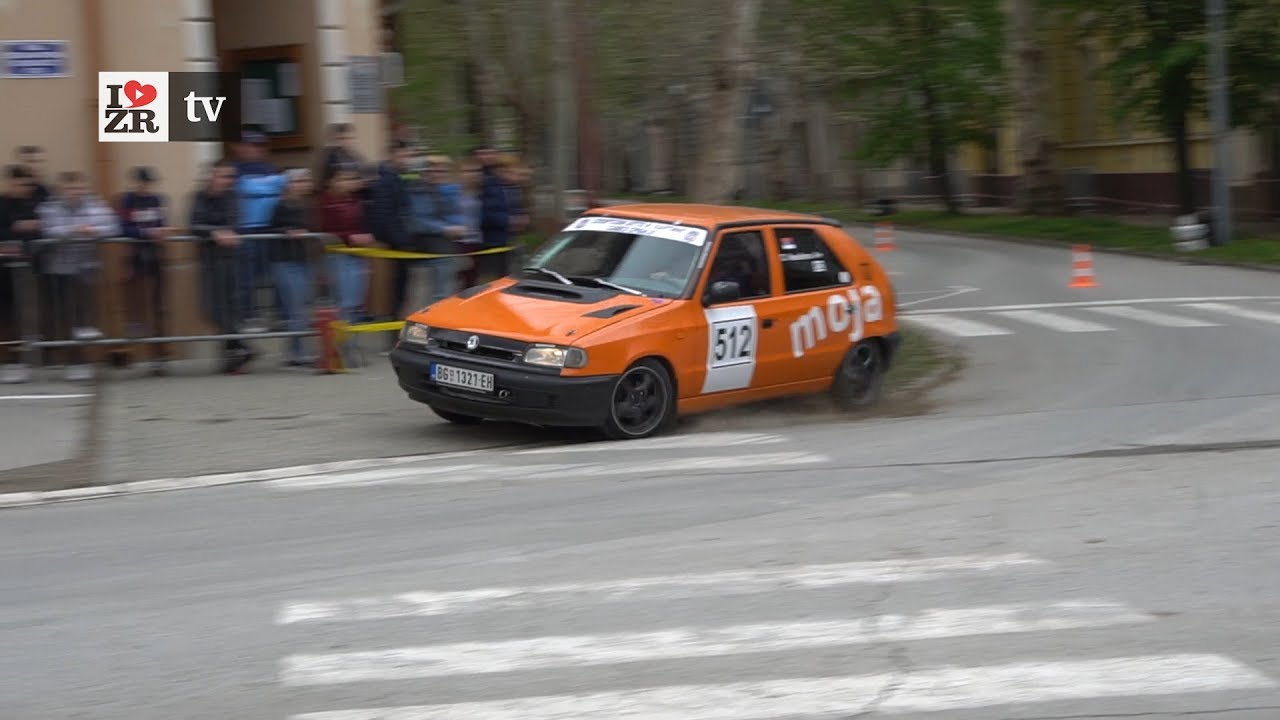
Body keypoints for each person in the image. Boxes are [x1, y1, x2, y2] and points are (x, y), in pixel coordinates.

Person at [36, 171, 120, 381]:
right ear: (62, 191)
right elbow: (47, 230)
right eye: (71, 189)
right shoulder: (50, 207)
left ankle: (83, 361)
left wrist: (94, 230)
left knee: (84, 318)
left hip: (87, 268)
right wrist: (72, 230)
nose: (76, 193)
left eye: (80, 189)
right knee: (66, 318)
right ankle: (72, 362)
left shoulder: (95, 205)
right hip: (59, 270)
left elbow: (113, 226)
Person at [190, 158, 255, 374]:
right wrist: (214, 232)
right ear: (212, 175)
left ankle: (233, 358)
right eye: (224, 176)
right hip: (209, 259)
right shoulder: (200, 196)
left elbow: (236, 222)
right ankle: (243, 348)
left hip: (230, 258)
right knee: (213, 309)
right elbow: (194, 225)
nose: (229, 180)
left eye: (231, 177)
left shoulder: (233, 196)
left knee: (230, 307)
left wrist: (226, 231)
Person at [118, 166, 175, 375]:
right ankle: (131, 354)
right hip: (134, 260)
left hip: (156, 259)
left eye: (151, 183)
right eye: (145, 182)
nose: (148, 187)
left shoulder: (158, 200)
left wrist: (162, 231)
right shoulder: (127, 200)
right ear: (137, 183)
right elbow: (122, 227)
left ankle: (159, 357)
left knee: (158, 309)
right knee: (136, 310)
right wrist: (145, 232)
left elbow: (162, 222)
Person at [319, 163, 376, 367]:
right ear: (332, 181)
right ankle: (342, 350)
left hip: (358, 256)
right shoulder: (326, 203)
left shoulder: (356, 200)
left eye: (351, 179)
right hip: (339, 258)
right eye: (344, 179)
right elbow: (325, 232)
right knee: (345, 304)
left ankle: (351, 348)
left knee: (356, 305)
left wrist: (364, 236)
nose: (349, 183)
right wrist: (351, 238)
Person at [234, 130, 287, 334]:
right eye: (249, 145)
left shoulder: (269, 167)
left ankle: (279, 316)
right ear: (241, 148)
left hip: (270, 229)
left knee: (275, 275)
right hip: (247, 230)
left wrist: (259, 186)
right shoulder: (236, 169)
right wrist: (271, 185)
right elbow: (243, 188)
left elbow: (283, 185)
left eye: (258, 146)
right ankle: (249, 316)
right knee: (247, 277)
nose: (254, 150)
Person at [267, 168, 318, 367]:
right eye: (299, 181)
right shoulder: (280, 205)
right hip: (285, 261)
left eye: (305, 181)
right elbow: (270, 228)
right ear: (289, 184)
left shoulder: (305, 206)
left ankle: (297, 350)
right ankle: (296, 352)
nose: (304, 185)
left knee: (303, 305)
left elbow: (312, 228)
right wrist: (286, 231)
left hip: (303, 259)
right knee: (295, 306)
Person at [0, 165, 42, 384]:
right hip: (2, 270)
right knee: (4, 318)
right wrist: (18, 227)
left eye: (28, 184)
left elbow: (40, 229)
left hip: (23, 269)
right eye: (21, 184)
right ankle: (7, 360)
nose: (25, 188)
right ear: (10, 183)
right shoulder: (2, 204)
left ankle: (18, 362)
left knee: (19, 317)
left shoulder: (30, 204)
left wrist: (25, 227)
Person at [408, 159, 468, 307]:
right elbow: (417, 220)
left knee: (447, 291)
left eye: (441, 171)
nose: (436, 174)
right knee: (437, 294)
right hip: (431, 248)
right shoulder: (418, 191)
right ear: (423, 173)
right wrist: (445, 229)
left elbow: (453, 213)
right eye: (432, 171)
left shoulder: (443, 190)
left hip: (447, 248)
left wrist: (458, 226)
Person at [367, 139, 416, 319]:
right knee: (393, 291)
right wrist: (402, 241)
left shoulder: (397, 179)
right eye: (402, 155)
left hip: (400, 243)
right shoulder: (385, 182)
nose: (406, 159)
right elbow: (386, 216)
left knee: (401, 291)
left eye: (408, 155)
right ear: (392, 155)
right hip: (393, 246)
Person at [472, 144, 511, 282]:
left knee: (501, 274)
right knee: (487, 277)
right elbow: (486, 210)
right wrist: (507, 221)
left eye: (490, 153)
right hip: (488, 237)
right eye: (483, 153)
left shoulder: (497, 179)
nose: (487, 157)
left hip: (501, 236)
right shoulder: (483, 180)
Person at [453, 158, 486, 289]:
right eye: (467, 171)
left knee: (472, 281)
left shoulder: (482, 193)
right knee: (458, 280)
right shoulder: (453, 192)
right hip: (459, 243)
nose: (471, 174)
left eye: (475, 171)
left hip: (477, 242)